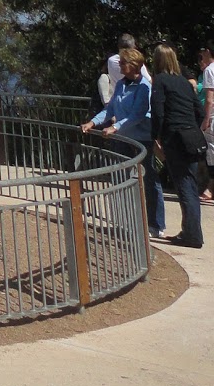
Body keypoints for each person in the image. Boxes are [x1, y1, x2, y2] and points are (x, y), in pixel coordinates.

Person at [82, 48, 165, 236]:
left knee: (149, 179)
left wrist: (115, 127)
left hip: (141, 139)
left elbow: (138, 114)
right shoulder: (120, 84)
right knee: (122, 179)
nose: (119, 66)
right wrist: (92, 122)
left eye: (123, 63)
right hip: (122, 138)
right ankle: (128, 222)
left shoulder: (144, 86)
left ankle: (155, 224)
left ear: (133, 65)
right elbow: (110, 109)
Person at [151, 44, 206, 249]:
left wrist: (156, 137)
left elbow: (158, 113)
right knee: (190, 185)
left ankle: (192, 236)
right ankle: (191, 231)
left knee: (184, 187)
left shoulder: (160, 81)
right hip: (191, 137)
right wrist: (190, 125)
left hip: (174, 139)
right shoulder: (184, 82)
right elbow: (200, 112)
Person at [197, 44, 214, 202]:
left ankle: (210, 188)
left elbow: (209, 99)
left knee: (211, 154)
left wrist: (206, 120)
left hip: (213, 117)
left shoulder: (210, 70)